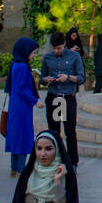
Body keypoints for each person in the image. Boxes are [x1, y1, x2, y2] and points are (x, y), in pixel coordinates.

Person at [40, 31, 84, 165]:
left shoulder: (74, 56)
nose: (56, 51)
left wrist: (68, 77)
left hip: (68, 98)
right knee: (54, 131)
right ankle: (55, 160)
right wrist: (45, 80)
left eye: (58, 48)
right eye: (54, 48)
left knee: (70, 131)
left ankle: (72, 162)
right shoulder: (48, 58)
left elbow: (81, 78)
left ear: (64, 44)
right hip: (54, 96)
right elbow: (42, 78)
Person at [5, 38, 40, 177]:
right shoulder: (23, 67)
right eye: (33, 53)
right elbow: (21, 89)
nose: (34, 56)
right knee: (23, 136)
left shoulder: (16, 64)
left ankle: (14, 167)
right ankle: (20, 168)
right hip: (22, 107)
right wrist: (35, 101)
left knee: (16, 136)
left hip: (16, 106)